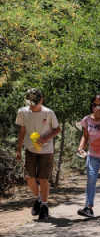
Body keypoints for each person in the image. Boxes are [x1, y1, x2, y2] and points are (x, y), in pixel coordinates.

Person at [15, 87, 61, 222]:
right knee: (29, 178)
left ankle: (44, 207)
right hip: (30, 149)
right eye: (30, 102)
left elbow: (57, 129)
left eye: (35, 102)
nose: (32, 105)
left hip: (46, 151)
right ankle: (39, 199)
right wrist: (18, 149)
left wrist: (45, 138)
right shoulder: (22, 112)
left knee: (43, 179)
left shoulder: (49, 113)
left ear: (42, 100)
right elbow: (22, 130)